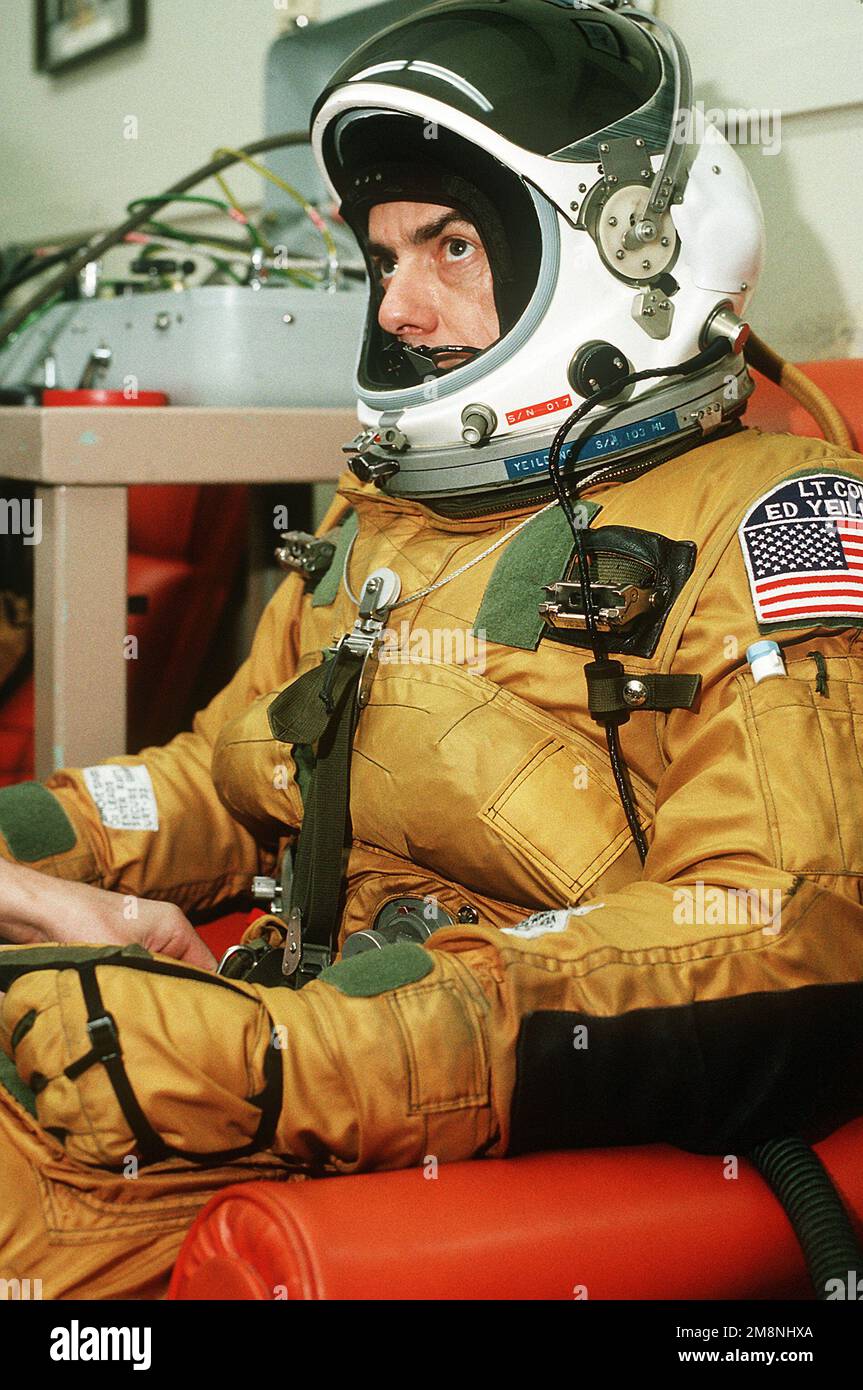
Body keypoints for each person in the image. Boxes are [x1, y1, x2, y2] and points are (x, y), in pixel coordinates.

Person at [2, 0, 863, 1300]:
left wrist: (293, 1050)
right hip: (295, 1054)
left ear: (628, 248)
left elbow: (780, 925)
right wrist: (27, 836)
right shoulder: (377, 513)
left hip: (440, 1114)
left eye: (450, 245)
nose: (397, 304)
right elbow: (215, 777)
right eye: (384, 256)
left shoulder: (782, 509)